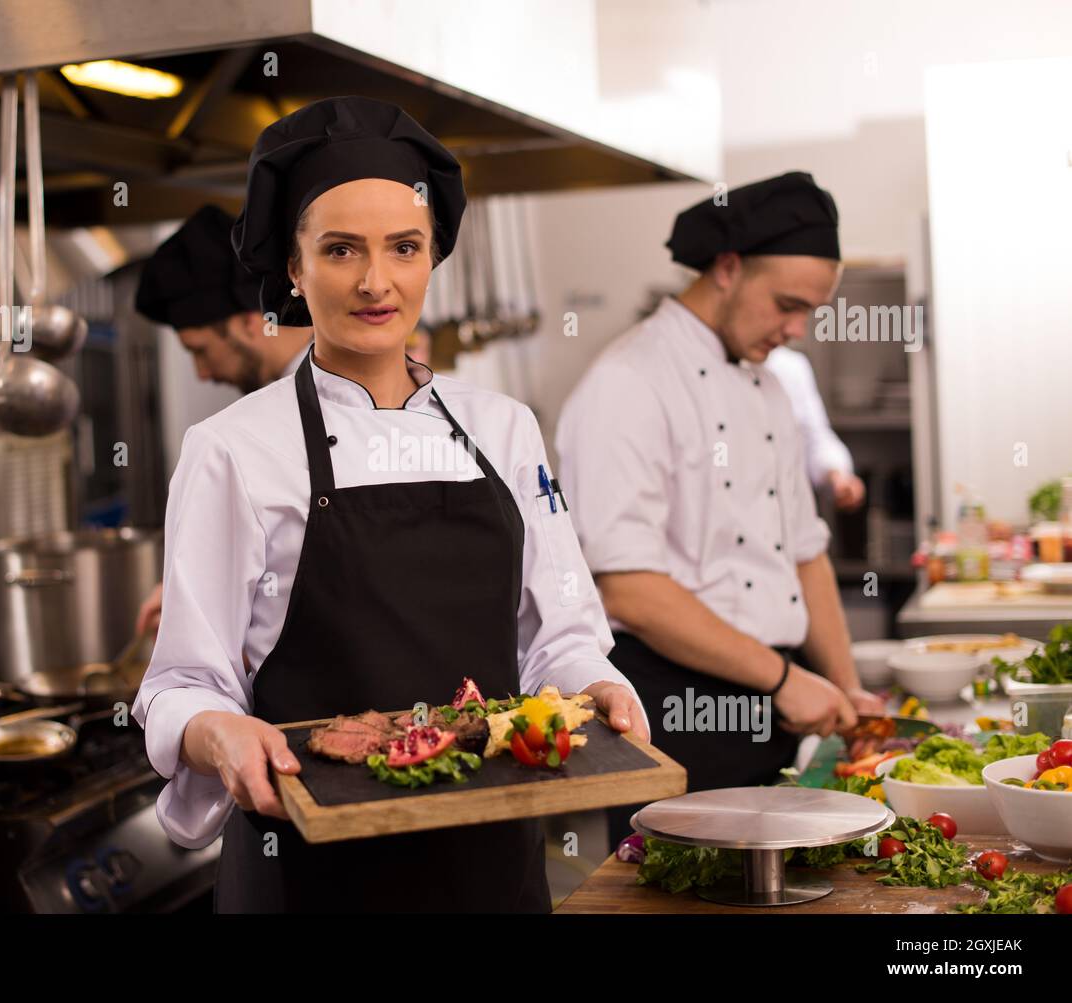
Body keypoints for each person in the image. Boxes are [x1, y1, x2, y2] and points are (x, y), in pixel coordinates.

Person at [131, 95, 648, 913]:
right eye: (340, 250)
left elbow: (561, 639)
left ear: (431, 257)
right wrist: (215, 730)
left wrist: (599, 682)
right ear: (294, 270)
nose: (377, 282)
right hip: (308, 874)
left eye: (404, 247)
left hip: (488, 866)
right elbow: (182, 683)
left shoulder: (504, 429)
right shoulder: (233, 448)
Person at [556, 172, 884, 845]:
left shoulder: (768, 388)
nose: (795, 330)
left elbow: (805, 550)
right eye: (787, 304)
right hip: (678, 708)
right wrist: (787, 679)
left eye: (810, 313)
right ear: (728, 268)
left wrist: (848, 695)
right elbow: (630, 587)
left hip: (773, 696)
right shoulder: (627, 383)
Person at [133, 205, 311, 637]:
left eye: (200, 350)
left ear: (251, 322)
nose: (203, 374)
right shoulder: (276, 410)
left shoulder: (322, 401)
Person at [764, 345, 866, 510]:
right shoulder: (715, 372)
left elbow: (815, 438)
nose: (796, 331)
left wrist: (838, 476)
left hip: (793, 515)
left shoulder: (791, 366)